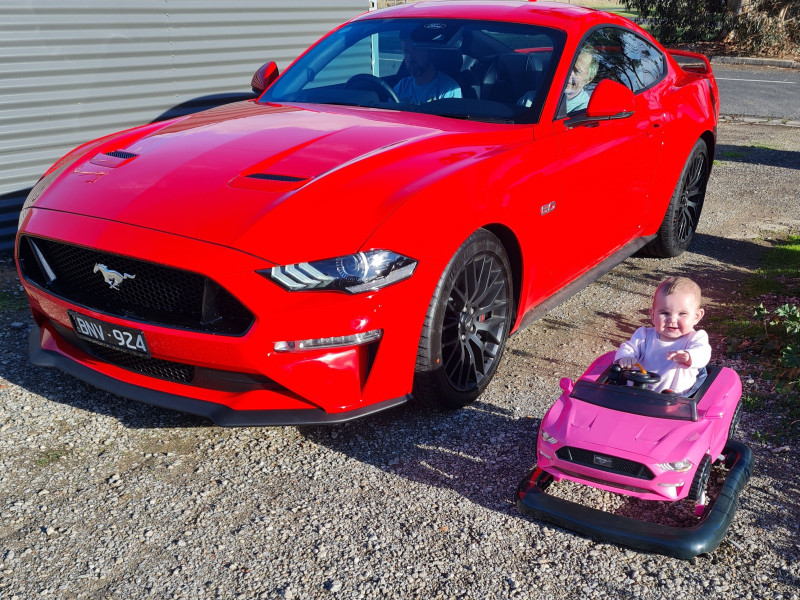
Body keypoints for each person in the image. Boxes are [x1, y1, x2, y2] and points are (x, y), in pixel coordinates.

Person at [615, 276, 711, 395]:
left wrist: (689, 356)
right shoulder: (644, 335)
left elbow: (703, 354)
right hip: (636, 392)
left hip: (675, 399)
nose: (672, 320)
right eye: (665, 313)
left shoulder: (695, 338)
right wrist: (626, 357)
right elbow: (628, 348)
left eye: (682, 314)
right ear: (653, 314)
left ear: (696, 316)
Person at [520, 44, 598, 112]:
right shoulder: (530, 100)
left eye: (577, 71)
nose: (568, 74)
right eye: (566, 67)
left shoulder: (586, 110)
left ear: (588, 79)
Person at [393, 30, 462, 104]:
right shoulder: (402, 86)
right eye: (406, 51)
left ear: (430, 52)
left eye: (416, 50)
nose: (410, 57)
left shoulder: (448, 88)